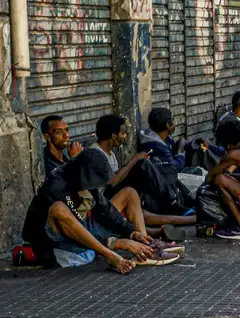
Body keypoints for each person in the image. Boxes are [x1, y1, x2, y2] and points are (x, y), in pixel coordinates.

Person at [22, 148, 156, 272]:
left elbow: (104, 209)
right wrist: (117, 243)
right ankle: (109, 255)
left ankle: (145, 248)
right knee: (59, 209)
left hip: (82, 227)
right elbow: (76, 227)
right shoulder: (56, 187)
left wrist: (131, 232)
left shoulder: (80, 173)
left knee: (129, 193)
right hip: (60, 245)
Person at [95, 114, 150, 189]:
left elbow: (117, 176)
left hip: (114, 190)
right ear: (113, 136)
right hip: (105, 196)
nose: (125, 136)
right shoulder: (96, 154)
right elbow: (111, 183)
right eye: (123, 133)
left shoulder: (110, 153)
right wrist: (134, 159)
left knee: (143, 165)